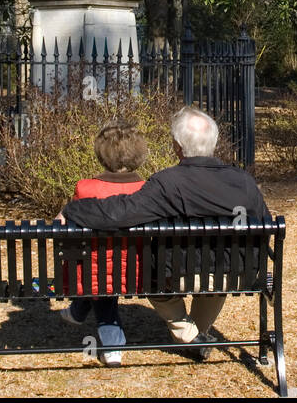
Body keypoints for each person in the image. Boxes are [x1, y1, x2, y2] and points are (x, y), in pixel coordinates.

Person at [57, 106, 270, 358]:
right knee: (218, 272)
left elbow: (120, 213)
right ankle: (197, 334)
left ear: (177, 146)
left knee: (152, 277)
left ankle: (189, 335)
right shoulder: (243, 180)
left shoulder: (169, 182)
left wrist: (73, 210)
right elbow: (265, 226)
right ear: (213, 143)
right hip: (237, 274)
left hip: (181, 273)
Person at [57, 120, 149, 367]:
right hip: (138, 269)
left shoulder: (85, 188)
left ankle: (112, 346)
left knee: (97, 271)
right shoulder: (147, 190)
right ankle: (77, 313)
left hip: (94, 267)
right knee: (105, 271)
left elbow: (64, 226)